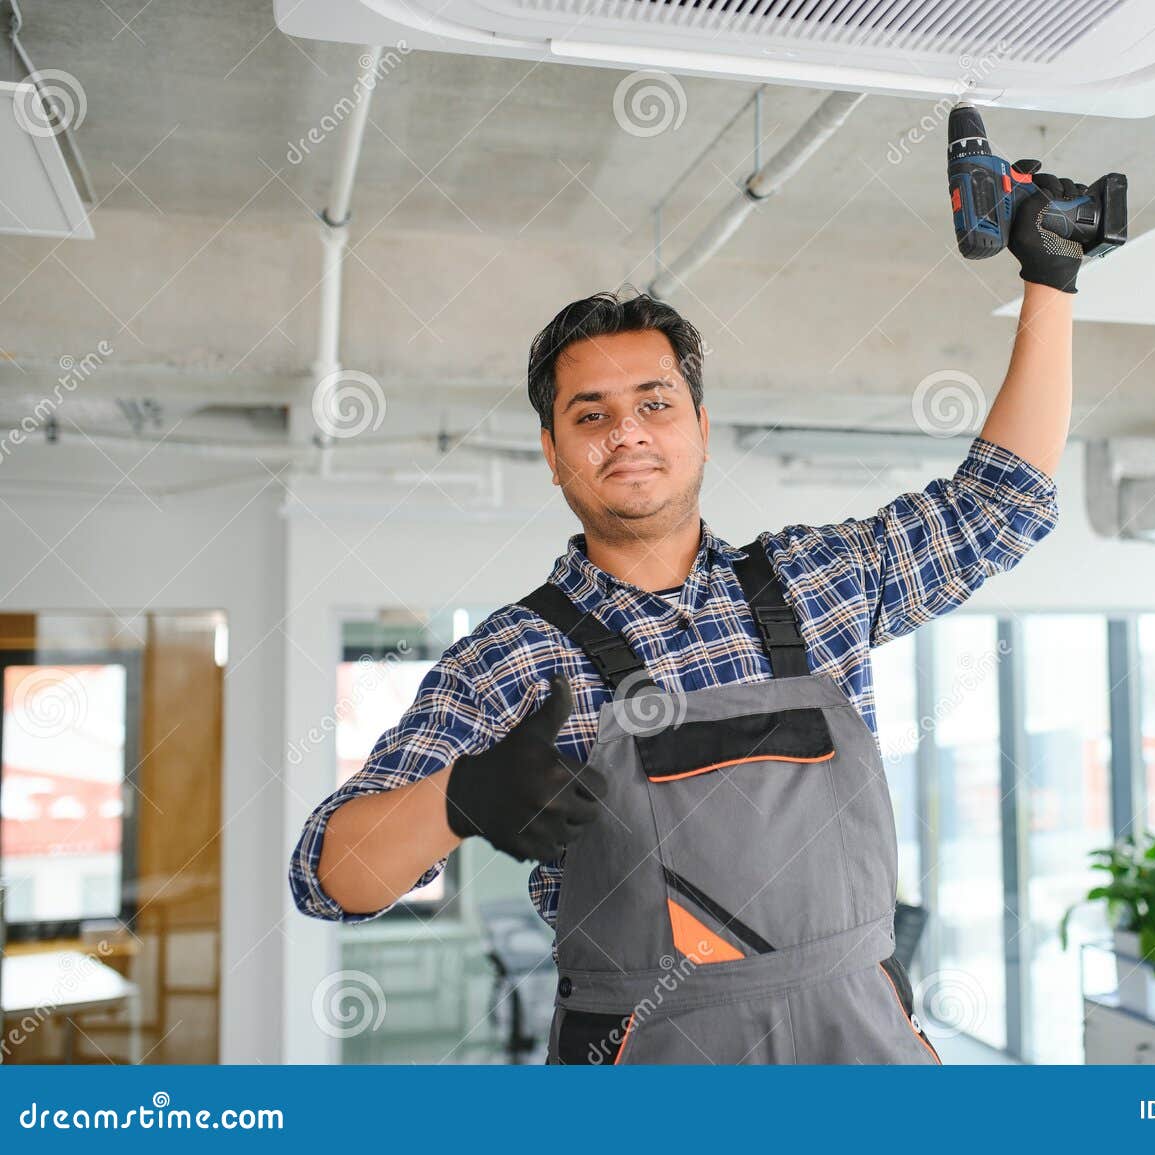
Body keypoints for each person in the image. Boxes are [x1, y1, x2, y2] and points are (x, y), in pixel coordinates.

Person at [288, 163, 1087, 1063]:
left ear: (700, 427)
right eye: (590, 416)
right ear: (554, 454)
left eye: (654, 404)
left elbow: (1001, 501)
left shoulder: (818, 584)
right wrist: (462, 796)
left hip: (863, 1049)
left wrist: (1049, 278)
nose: (626, 432)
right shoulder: (512, 660)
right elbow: (328, 876)